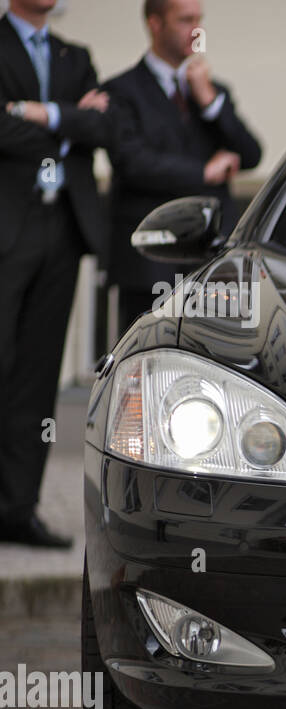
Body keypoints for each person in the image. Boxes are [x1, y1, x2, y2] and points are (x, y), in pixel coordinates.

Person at [0, 0, 111, 548]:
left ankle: (17, 510)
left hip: (62, 231)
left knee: (37, 378)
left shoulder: (76, 56)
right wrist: (71, 119)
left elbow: (104, 125)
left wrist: (38, 113)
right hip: (6, 231)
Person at [104, 0, 261, 322]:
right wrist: (204, 171)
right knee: (147, 357)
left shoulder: (212, 91)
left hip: (211, 259)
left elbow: (251, 153)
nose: (196, 30)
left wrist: (210, 103)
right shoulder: (121, 91)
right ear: (155, 24)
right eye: (185, 20)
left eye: (199, 20)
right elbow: (133, 163)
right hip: (150, 259)